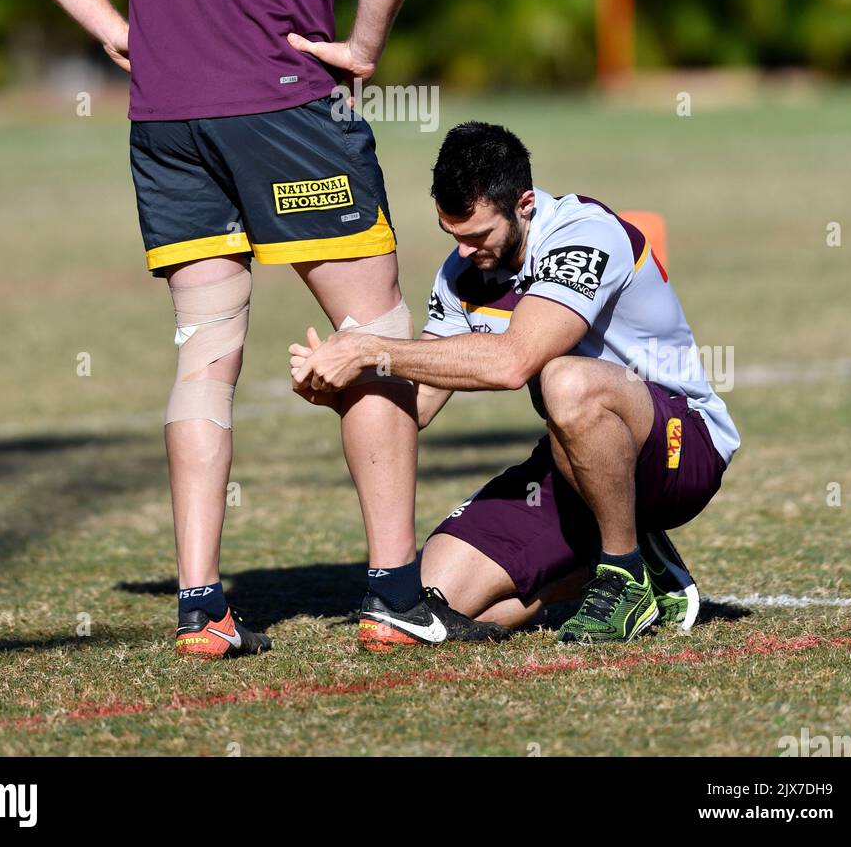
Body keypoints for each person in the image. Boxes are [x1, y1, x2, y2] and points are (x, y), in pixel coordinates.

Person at [0, 0, 447, 658]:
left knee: (206, 354)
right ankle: (391, 592)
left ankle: (201, 605)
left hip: (166, 118)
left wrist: (108, 26)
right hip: (286, 104)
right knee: (374, 332)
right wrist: (366, 44)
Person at [291, 121, 740, 646]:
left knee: (565, 380)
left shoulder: (585, 235)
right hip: (575, 459)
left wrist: (371, 349)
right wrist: (344, 393)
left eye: (477, 234)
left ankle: (624, 573)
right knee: (428, 602)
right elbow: (420, 407)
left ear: (524, 203)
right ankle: (614, 571)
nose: (462, 250)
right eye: (452, 234)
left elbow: (514, 363)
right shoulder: (461, 272)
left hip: (680, 448)